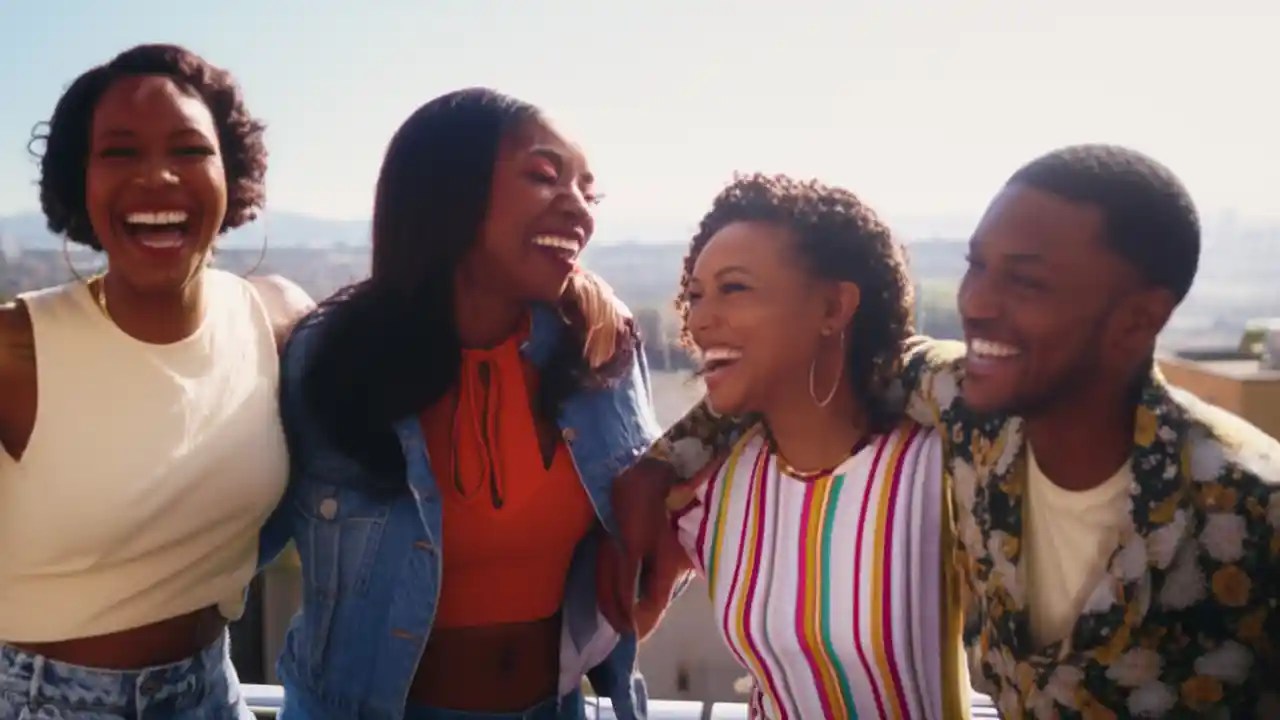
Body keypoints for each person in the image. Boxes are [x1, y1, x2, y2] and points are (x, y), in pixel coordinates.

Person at [609, 145, 1280, 717]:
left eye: (1026, 279)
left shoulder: (953, 456)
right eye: (975, 266)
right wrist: (659, 464)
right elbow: (867, 369)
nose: (978, 302)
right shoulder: (719, 478)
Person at [257, 87, 662, 720]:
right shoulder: (333, 356)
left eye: (590, 192)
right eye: (544, 177)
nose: (579, 210)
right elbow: (230, 539)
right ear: (449, 190)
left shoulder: (599, 346)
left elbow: (661, 482)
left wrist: (655, 514)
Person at [0, 44, 313, 720]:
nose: (158, 176)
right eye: (118, 152)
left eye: (189, 149)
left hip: (209, 692)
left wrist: (573, 300)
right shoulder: (14, 349)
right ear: (78, 181)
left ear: (232, 171)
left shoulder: (276, 318)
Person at [635, 173, 971, 719]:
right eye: (695, 295)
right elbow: (618, 623)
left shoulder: (937, 468)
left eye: (734, 288)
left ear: (834, 308)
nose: (700, 319)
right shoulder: (709, 487)